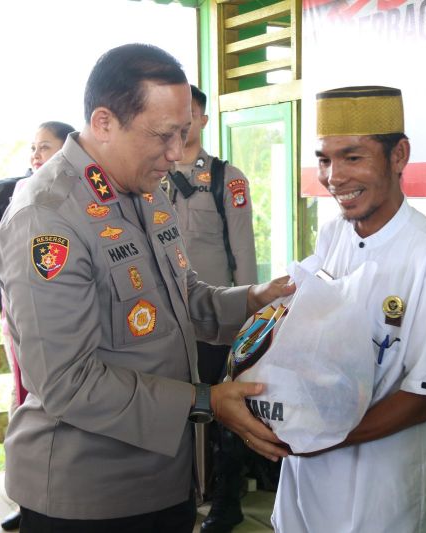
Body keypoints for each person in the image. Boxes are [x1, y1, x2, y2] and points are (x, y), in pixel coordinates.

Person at [0, 43, 291, 532]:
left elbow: (182, 299)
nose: (175, 155)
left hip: (166, 482)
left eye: (183, 135)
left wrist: (254, 299)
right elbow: (67, 380)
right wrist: (205, 401)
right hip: (89, 497)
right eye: (163, 136)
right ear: (105, 122)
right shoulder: (48, 217)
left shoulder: (146, 191)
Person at [270, 86, 426, 533]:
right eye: (324, 159)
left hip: (381, 499)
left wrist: (324, 440)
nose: (333, 176)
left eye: (353, 157)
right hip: (308, 482)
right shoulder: (333, 236)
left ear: (398, 155)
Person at [0, 120, 75, 532]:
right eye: (33, 147)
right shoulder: (11, 191)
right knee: (25, 401)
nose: (35, 155)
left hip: (69, 320)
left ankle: (57, 495)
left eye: (45, 147)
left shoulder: (83, 196)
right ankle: (26, 497)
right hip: (19, 319)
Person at [165, 84, 258, 532]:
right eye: (175, 114)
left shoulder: (227, 177)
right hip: (166, 324)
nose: (183, 122)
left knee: (225, 413)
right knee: (173, 411)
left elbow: (244, 254)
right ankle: (180, 498)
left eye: (192, 113)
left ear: (203, 119)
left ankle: (225, 502)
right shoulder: (150, 176)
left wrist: (247, 321)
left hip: (218, 321)